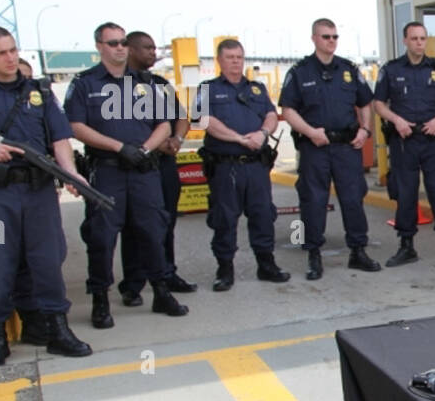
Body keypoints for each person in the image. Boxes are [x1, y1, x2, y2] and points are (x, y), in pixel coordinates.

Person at [0, 27, 91, 365]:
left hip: (39, 193)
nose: (10, 58)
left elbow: (59, 140)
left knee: (47, 261)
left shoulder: (39, 90)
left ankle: (57, 329)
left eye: (13, 50)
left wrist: (70, 173)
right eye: (1, 53)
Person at [65, 22, 189, 328]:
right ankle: (101, 301)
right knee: (102, 237)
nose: (119, 47)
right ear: (99, 47)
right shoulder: (85, 83)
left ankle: (161, 292)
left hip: (144, 170)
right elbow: (76, 126)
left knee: (153, 231)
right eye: (112, 43)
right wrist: (120, 147)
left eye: (122, 42)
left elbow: (165, 124)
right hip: (108, 171)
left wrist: (145, 150)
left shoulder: (147, 83)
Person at [279, 18, 380, 279]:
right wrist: (311, 132)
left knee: (353, 198)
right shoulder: (300, 72)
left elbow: (366, 102)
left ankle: (358, 251)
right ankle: (314, 255)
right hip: (315, 147)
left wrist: (365, 130)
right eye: (326, 37)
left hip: (347, 147)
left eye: (335, 37)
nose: (331, 41)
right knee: (314, 201)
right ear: (314, 38)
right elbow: (288, 110)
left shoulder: (348, 70)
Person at [195, 39, 290, 291]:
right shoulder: (208, 89)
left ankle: (266, 264)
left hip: (256, 165)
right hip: (226, 166)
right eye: (230, 57)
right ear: (219, 60)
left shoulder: (256, 89)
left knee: (262, 215)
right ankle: (224, 268)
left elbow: (271, 114)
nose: (235, 61)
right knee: (224, 217)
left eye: (239, 57)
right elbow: (203, 120)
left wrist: (262, 134)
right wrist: (238, 138)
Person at [373, 22, 435, 268]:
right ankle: (406, 247)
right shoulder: (391, 70)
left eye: (423, 38)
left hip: (433, 140)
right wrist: (396, 120)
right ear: (405, 41)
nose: (419, 43)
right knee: (405, 195)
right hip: (404, 141)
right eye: (414, 38)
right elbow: (379, 103)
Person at [118, 31, 196, 306]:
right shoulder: (118, 85)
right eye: (147, 48)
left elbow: (181, 118)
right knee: (134, 226)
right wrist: (157, 143)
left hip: (163, 165)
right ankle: (133, 283)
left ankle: (167, 274)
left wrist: (177, 139)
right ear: (130, 50)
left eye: (154, 48)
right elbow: (124, 130)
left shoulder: (160, 84)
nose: (153, 52)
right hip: (135, 167)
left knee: (165, 222)